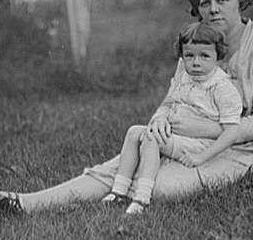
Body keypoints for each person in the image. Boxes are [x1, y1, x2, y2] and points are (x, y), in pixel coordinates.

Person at [0, 0, 253, 215]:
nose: (214, 10)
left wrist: (205, 129)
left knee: (158, 186)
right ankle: (22, 204)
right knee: (125, 161)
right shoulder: (198, 46)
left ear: (240, 2)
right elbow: (171, 100)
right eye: (205, 3)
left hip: (246, 149)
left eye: (222, 0)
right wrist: (160, 119)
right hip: (188, 138)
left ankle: (129, 192)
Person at [100, 21, 242, 215]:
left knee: (152, 139)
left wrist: (201, 157)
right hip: (178, 136)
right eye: (189, 55)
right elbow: (170, 102)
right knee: (134, 132)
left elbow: (232, 132)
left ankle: (142, 198)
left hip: (201, 143)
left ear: (218, 57)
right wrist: (160, 118)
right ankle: (119, 190)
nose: (196, 62)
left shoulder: (222, 87)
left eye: (204, 56)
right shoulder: (185, 77)